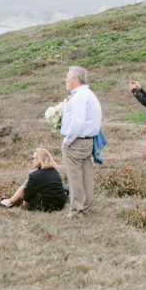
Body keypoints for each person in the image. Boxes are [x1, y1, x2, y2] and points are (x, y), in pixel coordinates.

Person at [60, 66, 102, 217]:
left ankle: (77, 210)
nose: (65, 80)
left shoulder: (79, 97)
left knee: (75, 176)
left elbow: (78, 122)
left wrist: (67, 140)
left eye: (67, 77)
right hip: (88, 141)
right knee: (86, 174)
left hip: (76, 142)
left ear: (75, 80)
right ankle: (86, 206)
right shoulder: (90, 94)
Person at [0, 148, 67, 211]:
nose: (32, 160)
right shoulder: (54, 171)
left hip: (44, 206)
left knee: (25, 185)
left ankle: (10, 202)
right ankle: (12, 201)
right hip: (60, 205)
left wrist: (26, 200)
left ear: (40, 159)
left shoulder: (36, 175)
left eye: (33, 158)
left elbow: (26, 193)